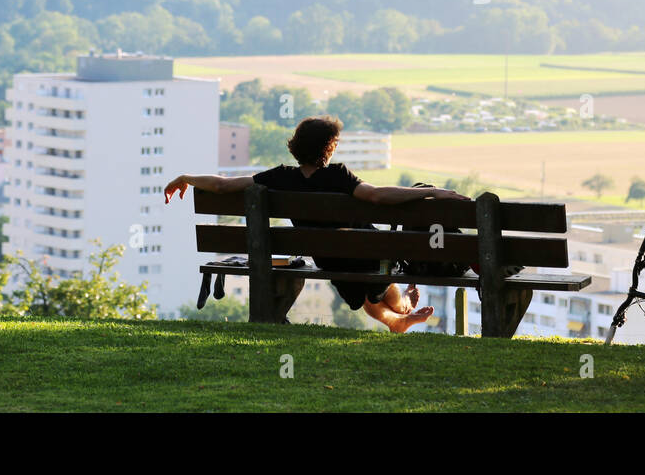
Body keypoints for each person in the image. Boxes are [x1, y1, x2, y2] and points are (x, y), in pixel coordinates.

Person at [164, 114, 470, 333]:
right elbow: (375, 196)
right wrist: (428, 190)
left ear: (297, 145)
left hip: (328, 258)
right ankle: (403, 307)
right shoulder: (337, 175)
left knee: (362, 281)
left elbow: (222, 186)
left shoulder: (280, 176)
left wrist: (187, 177)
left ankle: (401, 317)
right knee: (374, 266)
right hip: (368, 257)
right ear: (329, 147)